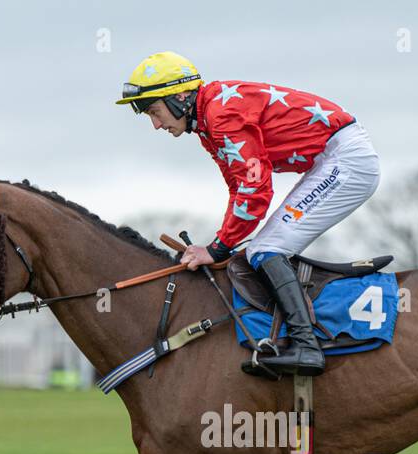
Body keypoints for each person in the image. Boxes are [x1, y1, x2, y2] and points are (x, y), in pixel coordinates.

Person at [116, 51, 381, 376]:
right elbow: (239, 190)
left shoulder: (220, 115)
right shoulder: (207, 124)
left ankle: (306, 347)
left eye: (155, 112)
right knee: (261, 248)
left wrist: (217, 249)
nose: (156, 125)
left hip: (346, 161)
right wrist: (218, 244)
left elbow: (257, 191)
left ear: (180, 97)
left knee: (265, 249)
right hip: (332, 158)